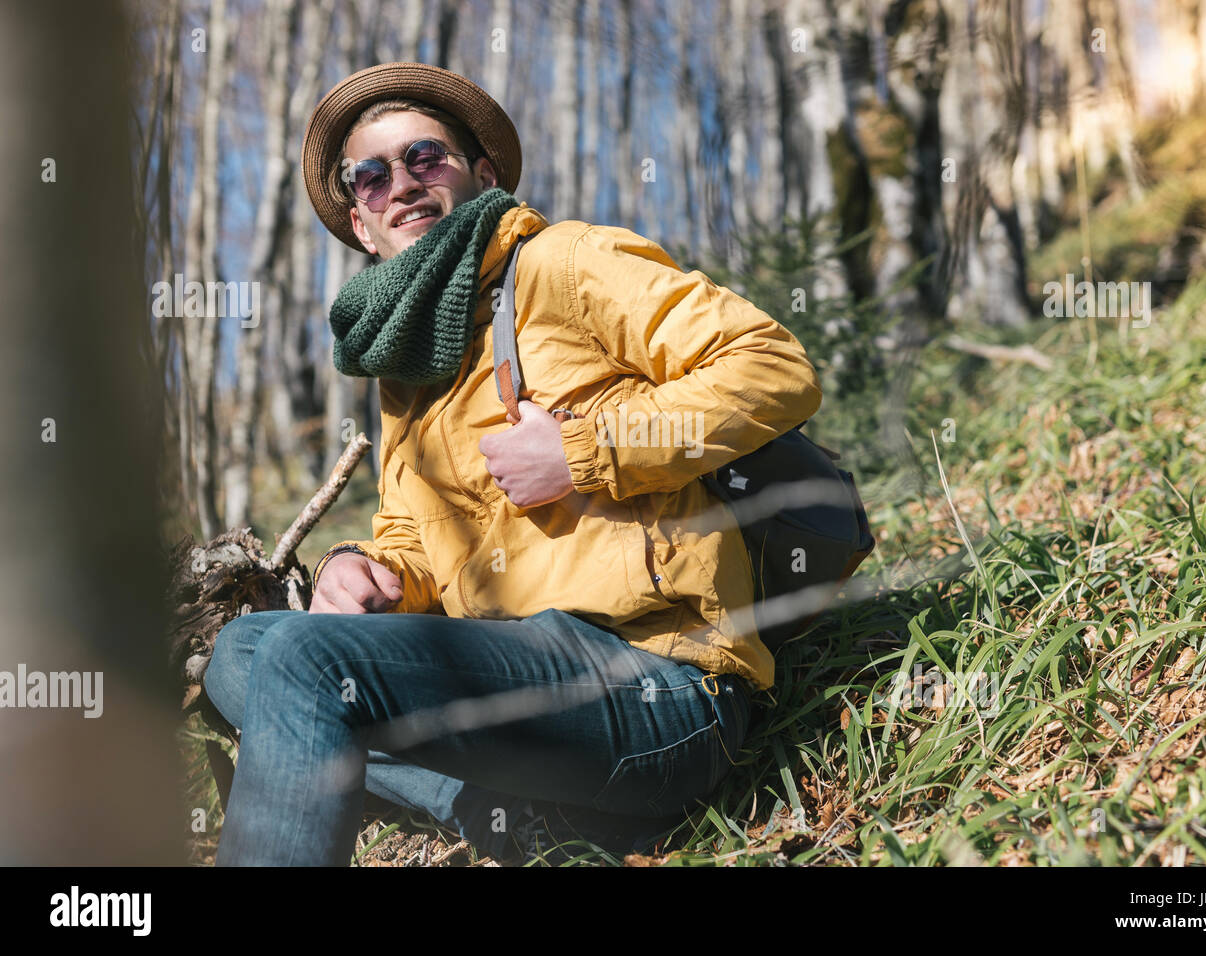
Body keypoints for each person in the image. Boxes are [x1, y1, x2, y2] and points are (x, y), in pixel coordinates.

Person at [202, 62, 822, 865]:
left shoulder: (561, 265)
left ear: (481, 174)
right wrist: (366, 570)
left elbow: (772, 365)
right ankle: (517, 816)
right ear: (362, 222)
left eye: (427, 157)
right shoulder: (409, 367)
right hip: (515, 676)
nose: (403, 184)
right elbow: (418, 541)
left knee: (302, 663)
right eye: (372, 175)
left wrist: (583, 453)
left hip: (658, 683)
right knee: (239, 655)